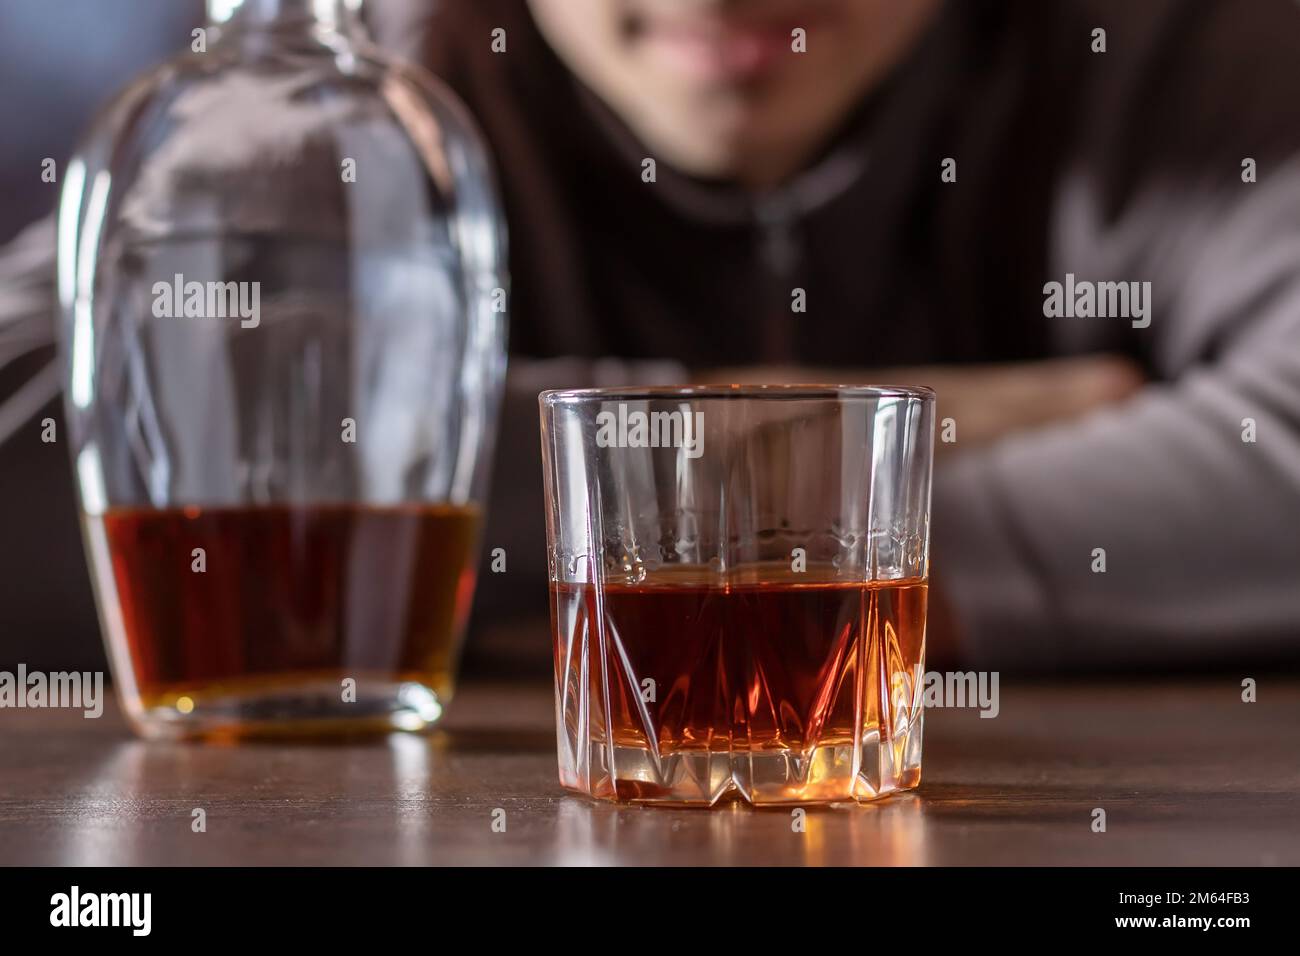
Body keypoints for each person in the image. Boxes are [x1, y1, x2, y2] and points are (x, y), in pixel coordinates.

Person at [3, 0, 1299, 673]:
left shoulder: (1172, 47)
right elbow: (27, 427)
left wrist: (486, 538)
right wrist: (817, 453)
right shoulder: (364, 82)